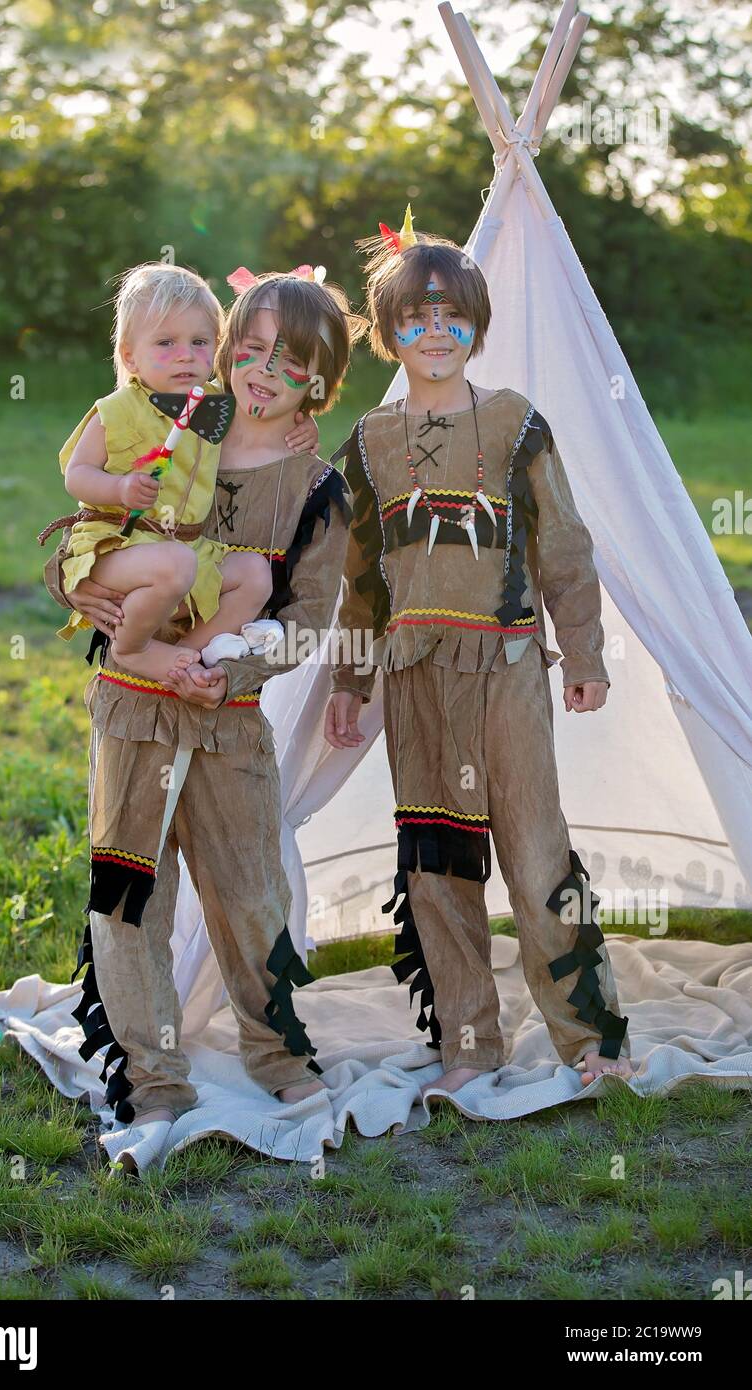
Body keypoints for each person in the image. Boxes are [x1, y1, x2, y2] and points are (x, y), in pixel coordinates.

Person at [42, 266, 364, 1172]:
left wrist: (236, 668)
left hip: (229, 714)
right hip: (134, 709)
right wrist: (88, 596)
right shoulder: (179, 422)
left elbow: (307, 620)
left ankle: (276, 1049)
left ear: (317, 386)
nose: (261, 371)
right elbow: (82, 519)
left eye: (288, 363)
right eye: (248, 350)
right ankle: (150, 1070)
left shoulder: (316, 486)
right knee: (128, 891)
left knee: (251, 887)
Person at [325, 208, 633, 1095]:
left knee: (537, 853)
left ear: (477, 325)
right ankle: (468, 1043)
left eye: (451, 315)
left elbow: (565, 549)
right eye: (414, 318)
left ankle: (590, 1035)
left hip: (506, 672)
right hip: (415, 680)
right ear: (388, 334)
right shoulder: (370, 446)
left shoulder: (515, 424)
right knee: (438, 862)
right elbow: (358, 579)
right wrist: (349, 678)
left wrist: (583, 656)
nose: (434, 330)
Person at [47, 261, 317, 684]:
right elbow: (76, 475)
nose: (185, 355)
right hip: (118, 547)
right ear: (130, 356)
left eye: (199, 342)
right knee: (174, 563)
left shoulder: (213, 405)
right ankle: (132, 649)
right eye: (166, 343)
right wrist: (119, 488)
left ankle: (190, 656)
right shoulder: (116, 411)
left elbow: (265, 413)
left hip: (187, 549)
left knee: (254, 575)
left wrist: (302, 422)